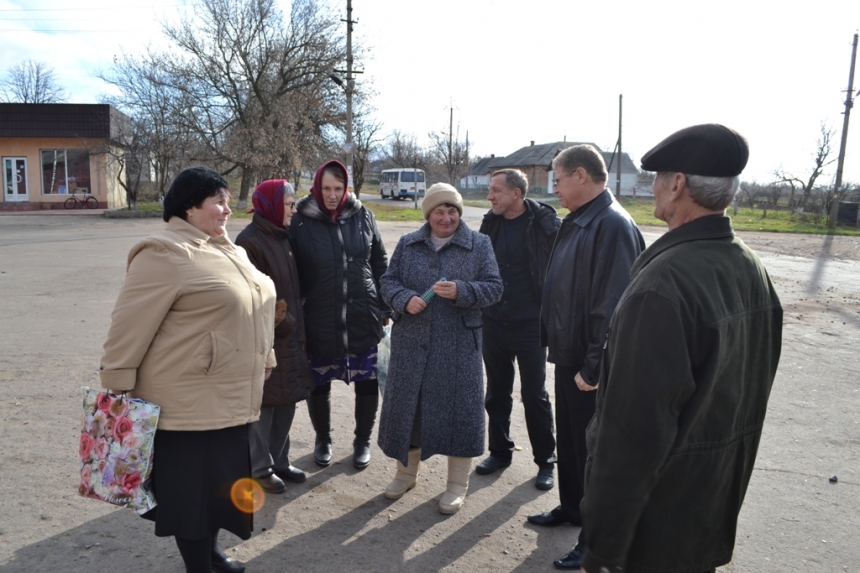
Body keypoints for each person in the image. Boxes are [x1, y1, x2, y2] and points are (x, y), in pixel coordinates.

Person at [579, 124, 783, 573]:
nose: (652, 188)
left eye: (658, 178)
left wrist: (603, 550)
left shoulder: (663, 285)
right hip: (706, 510)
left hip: (653, 529)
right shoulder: (750, 266)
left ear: (677, 185)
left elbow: (633, 435)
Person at [100, 166, 277, 573]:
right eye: (218, 201)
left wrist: (266, 356)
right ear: (188, 207)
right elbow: (127, 326)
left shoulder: (231, 250)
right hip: (187, 403)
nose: (227, 210)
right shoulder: (163, 252)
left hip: (232, 396)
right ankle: (199, 566)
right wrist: (116, 385)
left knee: (218, 491)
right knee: (192, 498)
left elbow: (258, 306)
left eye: (228, 201)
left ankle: (212, 555)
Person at [527, 145, 645, 571]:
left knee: (593, 453)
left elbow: (613, 304)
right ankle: (571, 509)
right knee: (572, 445)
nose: (552, 187)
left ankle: (592, 539)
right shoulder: (580, 220)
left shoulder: (611, 225)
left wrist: (593, 367)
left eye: (556, 179)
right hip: (569, 354)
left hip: (588, 364)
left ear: (580, 175)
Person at [377, 182, 503, 514]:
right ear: (428, 214)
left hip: (459, 346)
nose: (446, 218)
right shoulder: (408, 243)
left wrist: (462, 290)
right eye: (439, 211)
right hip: (412, 344)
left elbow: (494, 288)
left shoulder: (479, 244)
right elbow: (388, 282)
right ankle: (405, 475)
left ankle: (457, 485)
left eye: (452, 211)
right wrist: (405, 299)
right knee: (412, 411)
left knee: (459, 413)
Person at [290, 160, 389, 469]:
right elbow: (292, 271)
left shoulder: (363, 215)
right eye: (326, 188)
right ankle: (323, 438)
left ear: (347, 188)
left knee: (367, 380)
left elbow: (379, 260)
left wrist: (384, 305)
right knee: (318, 381)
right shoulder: (301, 221)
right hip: (319, 315)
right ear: (316, 187)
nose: (332, 195)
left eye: (338, 188)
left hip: (363, 313)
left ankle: (362, 441)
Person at [476, 168, 560, 490]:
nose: (489, 196)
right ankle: (499, 452)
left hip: (530, 325)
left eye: (495, 190)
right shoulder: (490, 223)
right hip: (494, 322)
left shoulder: (545, 225)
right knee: (496, 392)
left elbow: (559, 270)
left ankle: (545, 461)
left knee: (534, 394)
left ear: (516, 193)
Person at [235, 179, 314, 494]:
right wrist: (285, 320)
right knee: (264, 406)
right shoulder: (250, 241)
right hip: (267, 338)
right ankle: (260, 467)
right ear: (271, 204)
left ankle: (280, 460)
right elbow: (252, 298)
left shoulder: (282, 236)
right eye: (289, 204)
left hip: (290, 335)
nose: (294, 210)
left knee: (286, 401)